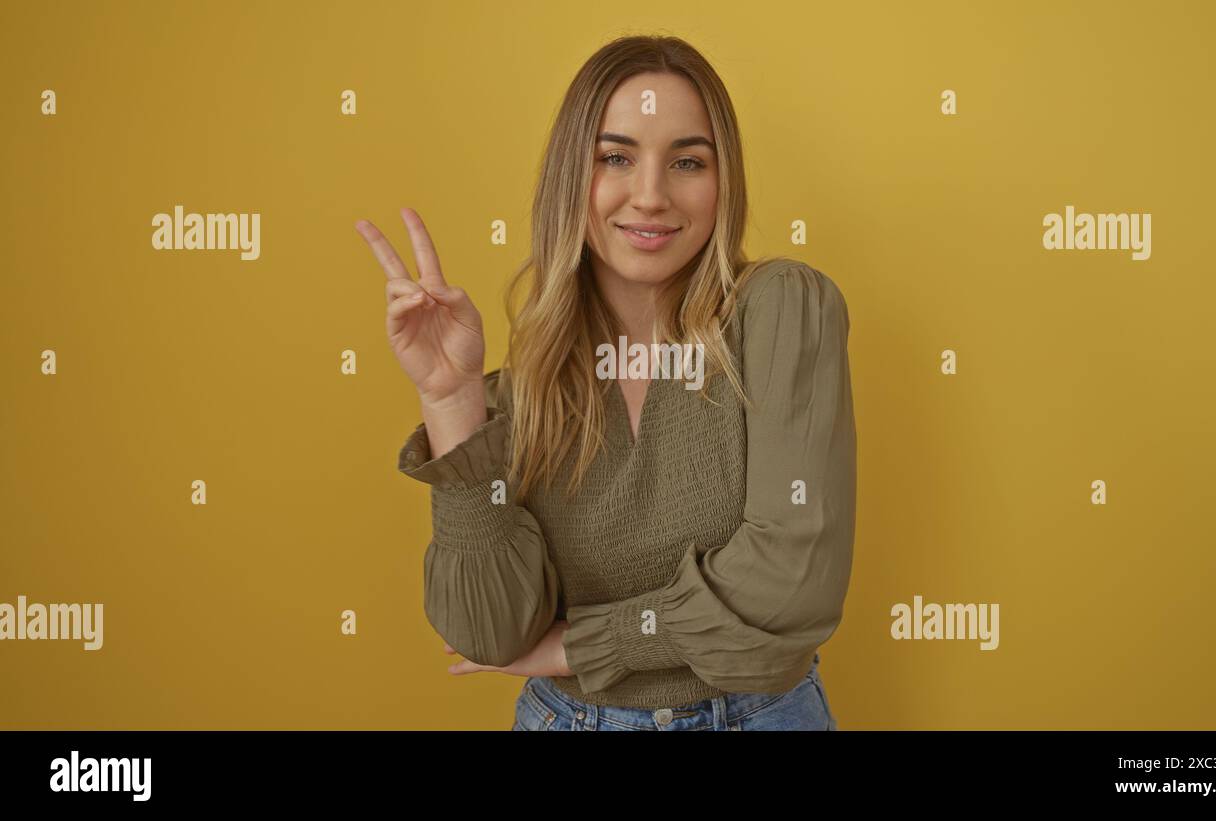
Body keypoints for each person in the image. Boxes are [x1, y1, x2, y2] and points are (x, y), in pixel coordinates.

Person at [355, 34, 855, 731]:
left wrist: (580, 643)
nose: (650, 196)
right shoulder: (527, 384)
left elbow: (792, 584)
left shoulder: (781, 308)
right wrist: (452, 400)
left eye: (687, 161)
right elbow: (489, 633)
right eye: (615, 157)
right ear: (572, 179)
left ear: (724, 182)